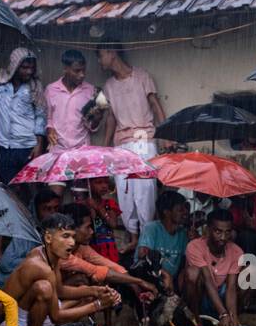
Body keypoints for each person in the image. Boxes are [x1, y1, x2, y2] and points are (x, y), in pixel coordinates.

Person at [3, 212, 120, 326]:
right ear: (48, 238)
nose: (72, 243)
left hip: (34, 318)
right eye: (65, 236)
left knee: (85, 293)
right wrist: (99, 304)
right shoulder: (39, 266)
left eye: (73, 237)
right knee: (44, 288)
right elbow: (56, 316)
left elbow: (60, 291)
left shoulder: (50, 255)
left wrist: (96, 291)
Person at [98, 45, 163, 249]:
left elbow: (155, 104)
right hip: (122, 144)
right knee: (125, 193)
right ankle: (134, 238)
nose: (100, 61)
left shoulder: (142, 76)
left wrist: (166, 134)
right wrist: (105, 148)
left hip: (144, 139)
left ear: (112, 52)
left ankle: (146, 239)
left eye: (100, 55)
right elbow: (110, 118)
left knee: (145, 192)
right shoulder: (108, 86)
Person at [0, 47, 46, 186]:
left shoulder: (35, 86)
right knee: (4, 186)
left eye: (31, 68)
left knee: (25, 188)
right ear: (14, 66)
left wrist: (39, 144)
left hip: (26, 147)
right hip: (2, 146)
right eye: (24, 67)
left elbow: (41, 116)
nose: (28, 71)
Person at [183, 207, 243, 326]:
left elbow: (231, 287)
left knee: (248, 273)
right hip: (201, 296)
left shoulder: (236, 251)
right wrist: (223, 313)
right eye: (218, 232)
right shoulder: (194, 246)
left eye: (227, 232)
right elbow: (207, 279)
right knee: (192, 273)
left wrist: (232, 315)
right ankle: (197, 322)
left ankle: (231, 320)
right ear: (208, 230)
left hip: (221, 296)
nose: (223, 237)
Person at [45, 49, 101, 157]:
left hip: (82, 150)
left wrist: (97, 120)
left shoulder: (91, 91)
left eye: (84, 70)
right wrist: (50, 129)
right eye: (77, 71)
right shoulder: (51, 90)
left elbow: (91, 125)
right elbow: (48, 118)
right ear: (65, 69)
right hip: (58, 150)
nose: (82, 75)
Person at [136, 189, 190, 291]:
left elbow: (184, 261)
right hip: (149, 282)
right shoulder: (151, 228)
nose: (185, 212)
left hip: (170, 285)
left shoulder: (182, 233)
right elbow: (143, 255)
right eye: (180, 210)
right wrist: (166, 275)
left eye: (185, 208)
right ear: (167, 212)